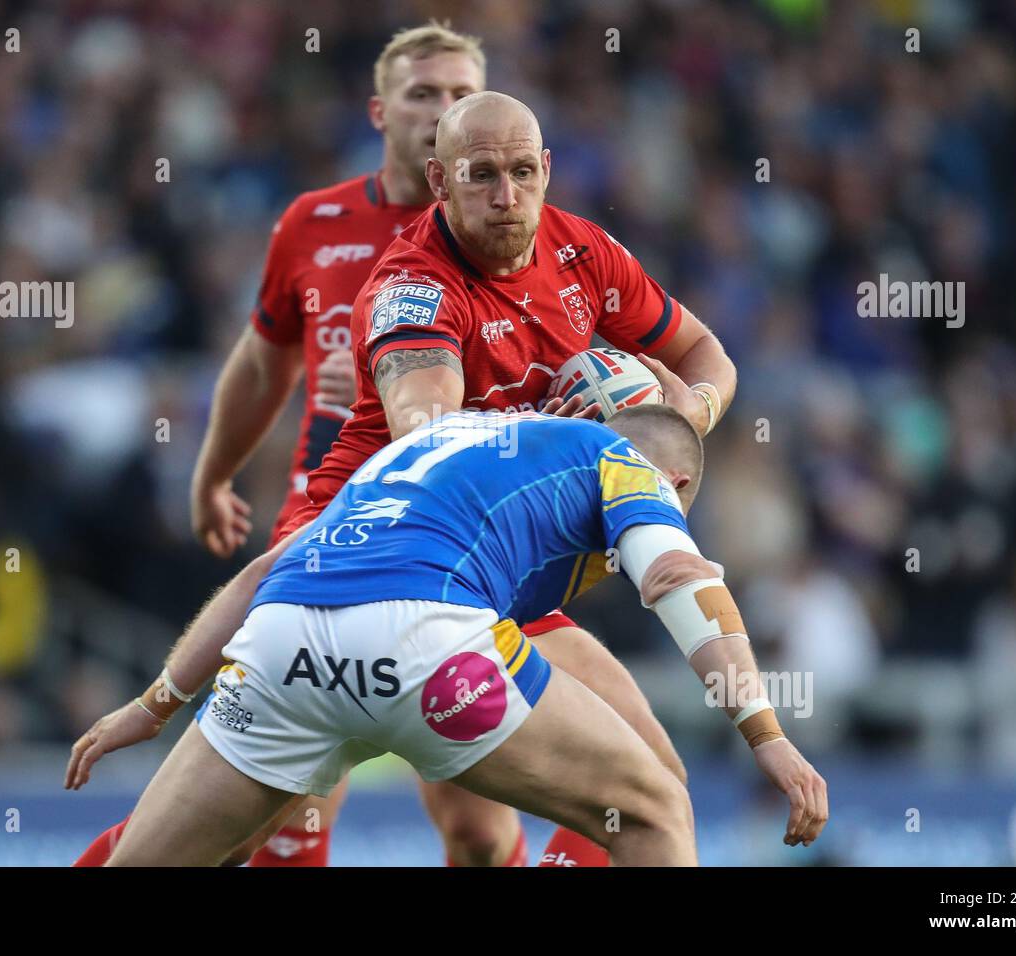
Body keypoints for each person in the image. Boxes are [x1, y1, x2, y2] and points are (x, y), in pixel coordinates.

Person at [270, 89, 740, 866]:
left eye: (522, 172)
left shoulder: (583, 253)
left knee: (552, 816)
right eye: (481, 174)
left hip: (487, 583)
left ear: (548, 170)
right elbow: (430, 434)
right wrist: (564, 445)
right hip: (355, 563)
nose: (506, 195)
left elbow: (706, 358)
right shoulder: (414, 288)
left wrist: (682, 422)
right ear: (438, 180)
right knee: (263, 830)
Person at [73, 21, 488, 867]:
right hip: (327, 539)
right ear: (380, 110)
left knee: (482, 831)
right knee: (274, 821)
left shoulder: (509, 237)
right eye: (423, 94)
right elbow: (264, 361)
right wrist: (214, 471)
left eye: (461, 96)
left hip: (460, 555)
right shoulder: (314, 223)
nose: (444, 112)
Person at [64, 407, 828, 866]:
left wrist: (155, 704)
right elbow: (680, 582)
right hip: (423, 643)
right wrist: (766, 736)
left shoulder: (438, 444)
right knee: (655, 806)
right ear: (681, 487)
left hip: (278, 638)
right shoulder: (623, 461)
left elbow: (262, 569)